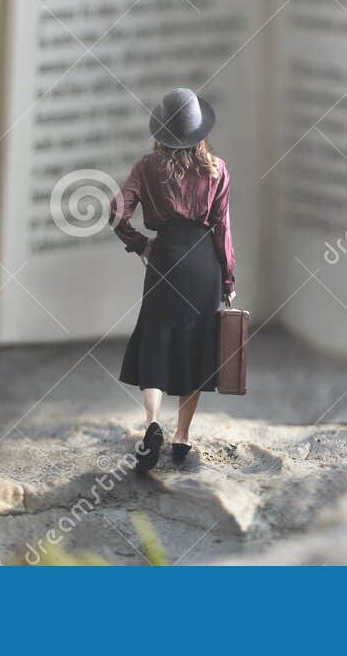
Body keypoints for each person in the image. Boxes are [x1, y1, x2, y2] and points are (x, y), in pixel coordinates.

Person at [110, 87, 236, 473]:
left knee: (155, 338)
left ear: (160, 132)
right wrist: (228, 279)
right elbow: (222, 230)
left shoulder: (146, 168)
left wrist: (140, 246)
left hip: (165, 258)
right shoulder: (217, 168)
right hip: (203, 264)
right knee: (195, 346)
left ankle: (151, 424)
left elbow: (116, 212)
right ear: (200, 131)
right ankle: (181, 439)